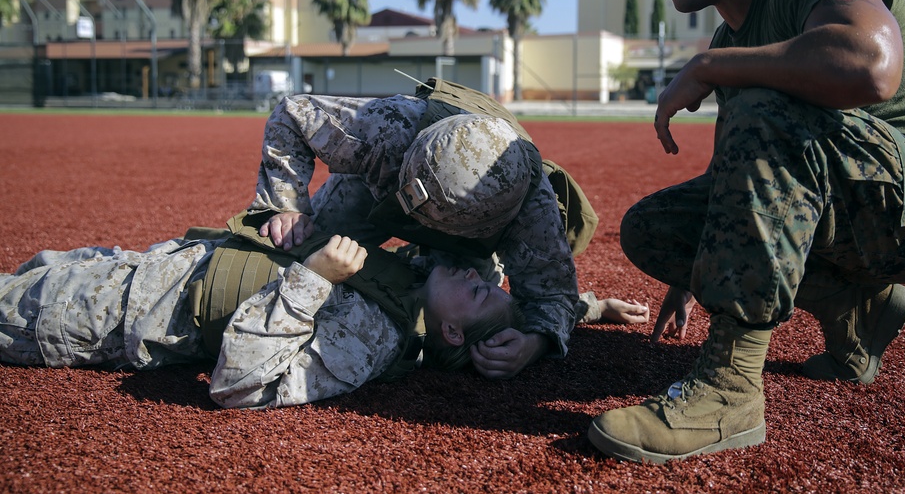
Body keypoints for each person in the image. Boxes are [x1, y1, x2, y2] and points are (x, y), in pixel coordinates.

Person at [588, 0, 905, 463]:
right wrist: (690, 276)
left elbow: (871, 63)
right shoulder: (734, 35)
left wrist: (710, 65)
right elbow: (743, 179)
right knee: (650, 228)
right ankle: (856, 309)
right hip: (870, 197)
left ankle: (729, 391)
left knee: (764, 110)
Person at [250, 77, 647, 380]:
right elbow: (291, 114)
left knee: (465, 300)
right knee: (299, 252)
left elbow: (552, 294)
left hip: (466, 238)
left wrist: (535, 343)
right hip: (375, 189)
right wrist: (287, 205)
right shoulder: (387, 129)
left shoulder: (529, 208)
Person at [0, 218, 523, 409]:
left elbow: (240, 386)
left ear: (451, 333)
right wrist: (567, 319)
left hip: (111, 313)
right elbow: (496, 255)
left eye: (480, 294)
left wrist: (314, 275)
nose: (476, 277)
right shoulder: (414, 282)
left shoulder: (373, 341)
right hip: (141, 268)